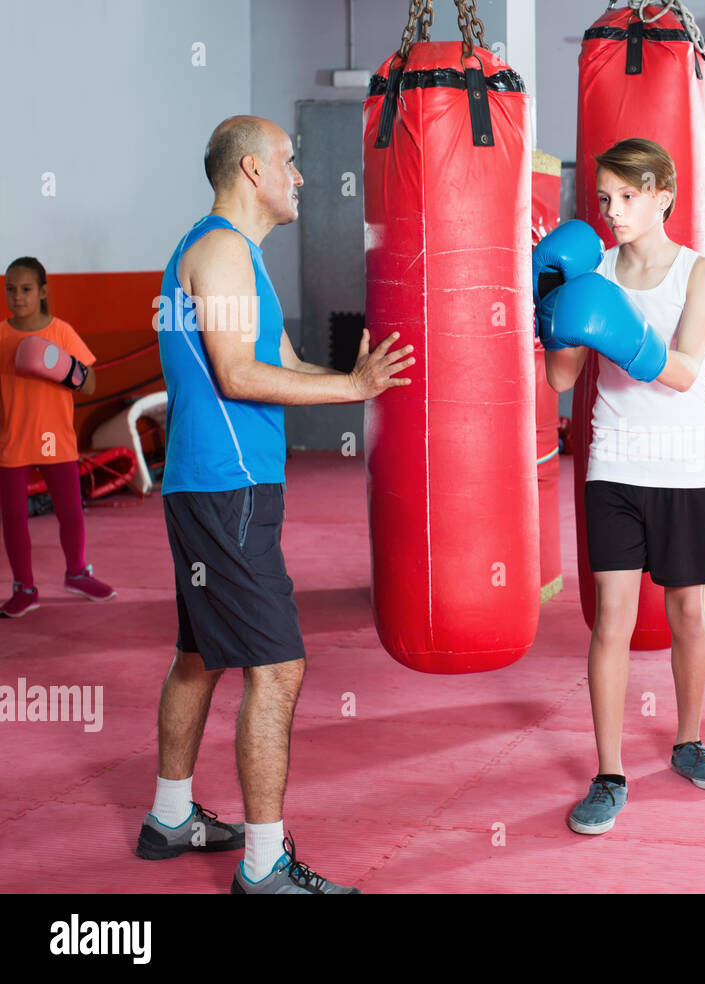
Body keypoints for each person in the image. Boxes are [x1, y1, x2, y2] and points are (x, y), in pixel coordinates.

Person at [136, 115, 414, 893]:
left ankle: (169, 816)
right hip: (226, 489)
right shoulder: (221, 250)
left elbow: (280, 363)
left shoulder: (238, 255)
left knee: (199, 656)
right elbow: (235, 374)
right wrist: (354, 391)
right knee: (279, 667)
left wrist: (347, 377)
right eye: (290, 163)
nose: (301, 177)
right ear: (253, 170)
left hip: (222, 485)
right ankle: (263, 868)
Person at [535, 138, 705, 835]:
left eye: (627, 197)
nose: (613, 212)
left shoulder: (701, 274)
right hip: (613, 461)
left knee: (688, 615)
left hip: (683, 465)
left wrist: (617, 326)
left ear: (663, 195)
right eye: (606, 199)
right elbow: (562, 380)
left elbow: (684, 372)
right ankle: (610, 772)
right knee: (611, 620)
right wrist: (552, 305)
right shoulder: (594, 270)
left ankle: (689, 740)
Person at [1, 256, 116, 619]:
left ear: (43, 291)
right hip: (13, 438)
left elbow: (91, 383)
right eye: (10, 290)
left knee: (70, 511)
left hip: (55, 439)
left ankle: (77, 573)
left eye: (26, 289)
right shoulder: (0, 334)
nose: (17, 297)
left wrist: (62, 365)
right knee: (14, 517)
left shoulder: (61, 331)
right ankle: (24, 588)